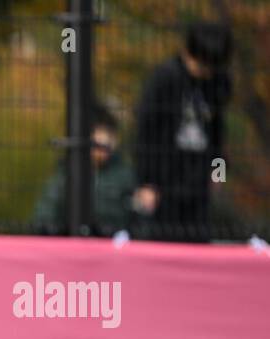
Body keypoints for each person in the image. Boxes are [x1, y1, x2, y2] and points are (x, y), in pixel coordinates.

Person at [132, 21, 232, 242]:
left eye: (211, 67)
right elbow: (144, 131)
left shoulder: (218, 84)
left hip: (198, 181)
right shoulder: (164, 79)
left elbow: (218, 133)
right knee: (161, 243)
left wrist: (219, 172)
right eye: (201, 64)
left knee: (198, 240)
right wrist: (146, 182)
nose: (205, 71)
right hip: (164, 178)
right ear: (187, 53)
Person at [33, 103, 137, 237]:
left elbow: (137, 220)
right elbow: (45, 214)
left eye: (108, 137)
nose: (103, 143)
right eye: (97, 137)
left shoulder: (125, 175)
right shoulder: (65, 173)